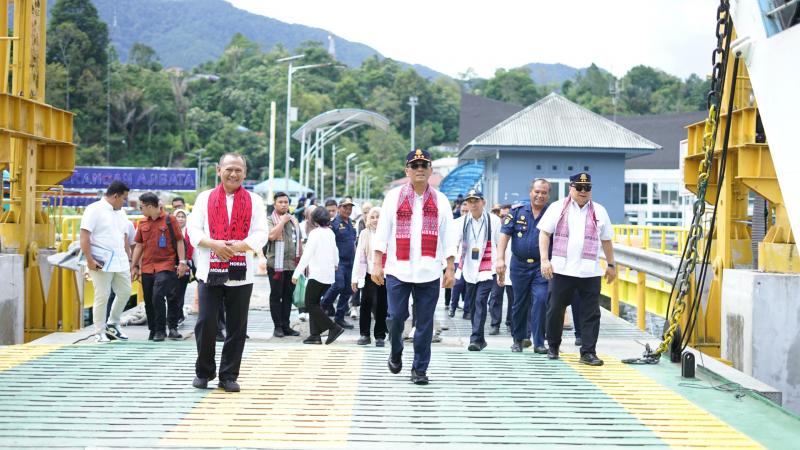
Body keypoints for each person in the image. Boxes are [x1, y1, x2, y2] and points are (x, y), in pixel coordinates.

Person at [187, 153, 267, 392]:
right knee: (206, 322)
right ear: (219, 170)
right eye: (229, 169)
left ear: (245, 173)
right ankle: (204, 371)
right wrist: (215, 245)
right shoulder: (204, 198)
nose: (234, 174)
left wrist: (236, 247)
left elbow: (261, 233)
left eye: (238, 170)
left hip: (242, 273)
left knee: (237, 326)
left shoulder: (255, 200)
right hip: (209, 270)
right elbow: (193, 229)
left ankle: (228, 375)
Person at [373, 149, 454, 385]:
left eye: (424, 165)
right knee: (396, 317)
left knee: (425, 325)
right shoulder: (393, 197)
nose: (419, 169)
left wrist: (450, 268)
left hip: (429, 271)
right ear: (407, 170)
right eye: (414, 165)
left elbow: (448, 235)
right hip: (398, 269)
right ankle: (395, 349)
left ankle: (419, 369)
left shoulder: (441, 200)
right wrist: (377, 263)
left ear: (430, 170)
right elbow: (382, 232)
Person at [539, 172, 616, 366]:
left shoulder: (600, 211)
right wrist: (544, 260)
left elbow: (606, 240)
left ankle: (588, 352)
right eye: (579, 188)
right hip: (562, 270)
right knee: (555, 309)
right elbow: (544, 234)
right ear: (571, 188)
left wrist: (611, 264)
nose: (583, 191)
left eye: (587, 188)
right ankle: (554, 347)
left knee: (591, 313)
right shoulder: (558, 208)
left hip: (589, 271)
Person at [497, 179, 551, 354]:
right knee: (519, 303)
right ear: (531, 192)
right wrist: (500, 260)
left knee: (541, 300)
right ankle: (518, 339)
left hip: (540, 267)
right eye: (537, 191)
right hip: (519, 265)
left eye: (544, 192)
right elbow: (504, 236)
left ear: (548, 195)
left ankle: (539, 341)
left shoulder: (552, 214)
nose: (540, 195)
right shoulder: (517, 212)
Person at [448, 190, 501, 352]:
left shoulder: (494, 221)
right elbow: (453, 244)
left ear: (483, 202)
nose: (473, 204)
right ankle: (480, 338)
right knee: (472, 304)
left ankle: (476, 339)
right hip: (469, 269)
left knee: (480, 302)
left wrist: (502, 266)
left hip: (487, 269)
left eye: (476, 200)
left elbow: (501, 244)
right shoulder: (461, 222)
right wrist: (450, 266)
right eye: (470, 201)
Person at [131, 192, 188, 342]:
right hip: (148, 266)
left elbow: (180, 241)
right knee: (149, 299)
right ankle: (154, 329)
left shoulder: (170, 220)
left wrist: (182, 262)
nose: (140, 209)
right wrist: (134, 266)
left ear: (150, 206)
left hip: (166, 264)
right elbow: (139, 245)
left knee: (160, 295)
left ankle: (166, 329)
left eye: (141, 206)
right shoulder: (142, 223)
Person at [79, 180, 132, 342]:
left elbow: (124, 237)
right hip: (101, 261)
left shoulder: (121, 212)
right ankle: (99, 331)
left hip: (120, 260)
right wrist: (89, 260)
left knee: (125, 292)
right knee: (102, 295)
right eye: (124, 198)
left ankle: (113, 323)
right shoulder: (94, 209)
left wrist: (129, 258)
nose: (125, 202)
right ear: (115, 196)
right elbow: (84, 236)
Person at [292, 207, 344, 345]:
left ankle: (334, 328)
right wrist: (336, 263)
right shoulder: (330, 233)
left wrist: (297, 273)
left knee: (310, 303)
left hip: (317, 274)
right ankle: (315, 335)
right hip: (328, 275)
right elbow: (335, 251)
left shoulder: (315, 233)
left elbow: (307, 255)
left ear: (314, 220)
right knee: (315, 303)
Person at [265, 191, 302, 338]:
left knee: (288, 296)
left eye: (286, 202)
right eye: (280, 202)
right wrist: (282, 221)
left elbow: (298, 241)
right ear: (275, 204)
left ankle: (286, 326)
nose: (284, 204)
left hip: (291, 265)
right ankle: (277, 327)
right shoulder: (270, 220)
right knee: (276, 296)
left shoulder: (294, 220)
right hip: (275, 265)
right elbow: (271, 236)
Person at [351, 207, 387, 347]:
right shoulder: (364, 234)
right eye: (372, 217)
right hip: (367, 274)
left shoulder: (387, 234)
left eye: (378, 217)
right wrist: (355, 278)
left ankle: (380, 336)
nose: (375, 220)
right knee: (365, 303)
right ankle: (364, 334)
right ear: (368, 219)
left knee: (382, 305)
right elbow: (359, 256)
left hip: (384, 274)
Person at [320, 197, 357, 329]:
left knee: (348, 290)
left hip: (350, 262)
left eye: (350, 207)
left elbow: (353, 242)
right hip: (338, 262)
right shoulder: (334, 223)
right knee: (338, 285)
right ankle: (321, 307)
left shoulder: (352, 223)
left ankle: (339, 317)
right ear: (339, 208)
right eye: (345, 207)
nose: (348, 210)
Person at [488, 204, 514, 334]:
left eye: (507, 216)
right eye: (502, 216)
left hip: (513, 269)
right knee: (495, 296)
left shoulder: (517, 229)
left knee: (513, 298)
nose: (504, 218)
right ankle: (495, 324)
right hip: (496, 268)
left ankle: (510, 323)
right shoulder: (495, 229)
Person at [447, 202, 471, 318]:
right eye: (463, 211)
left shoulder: (474, 223)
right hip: (458, 258)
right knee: (458, 284)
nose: (465, 213)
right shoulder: (456, 223)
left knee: (469, 286)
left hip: (471, 259)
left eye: (467, 211)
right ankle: (453, 306)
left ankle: (467, 310)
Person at [173, 208, 193, 326]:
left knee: (180, 292)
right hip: (170, 266)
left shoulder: (190, 233)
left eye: (183, 216)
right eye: (178, 216)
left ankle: (178, 315)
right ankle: (173, 315)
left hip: (186, 266)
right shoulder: (168, 231)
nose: (180, 219)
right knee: (171, 292)